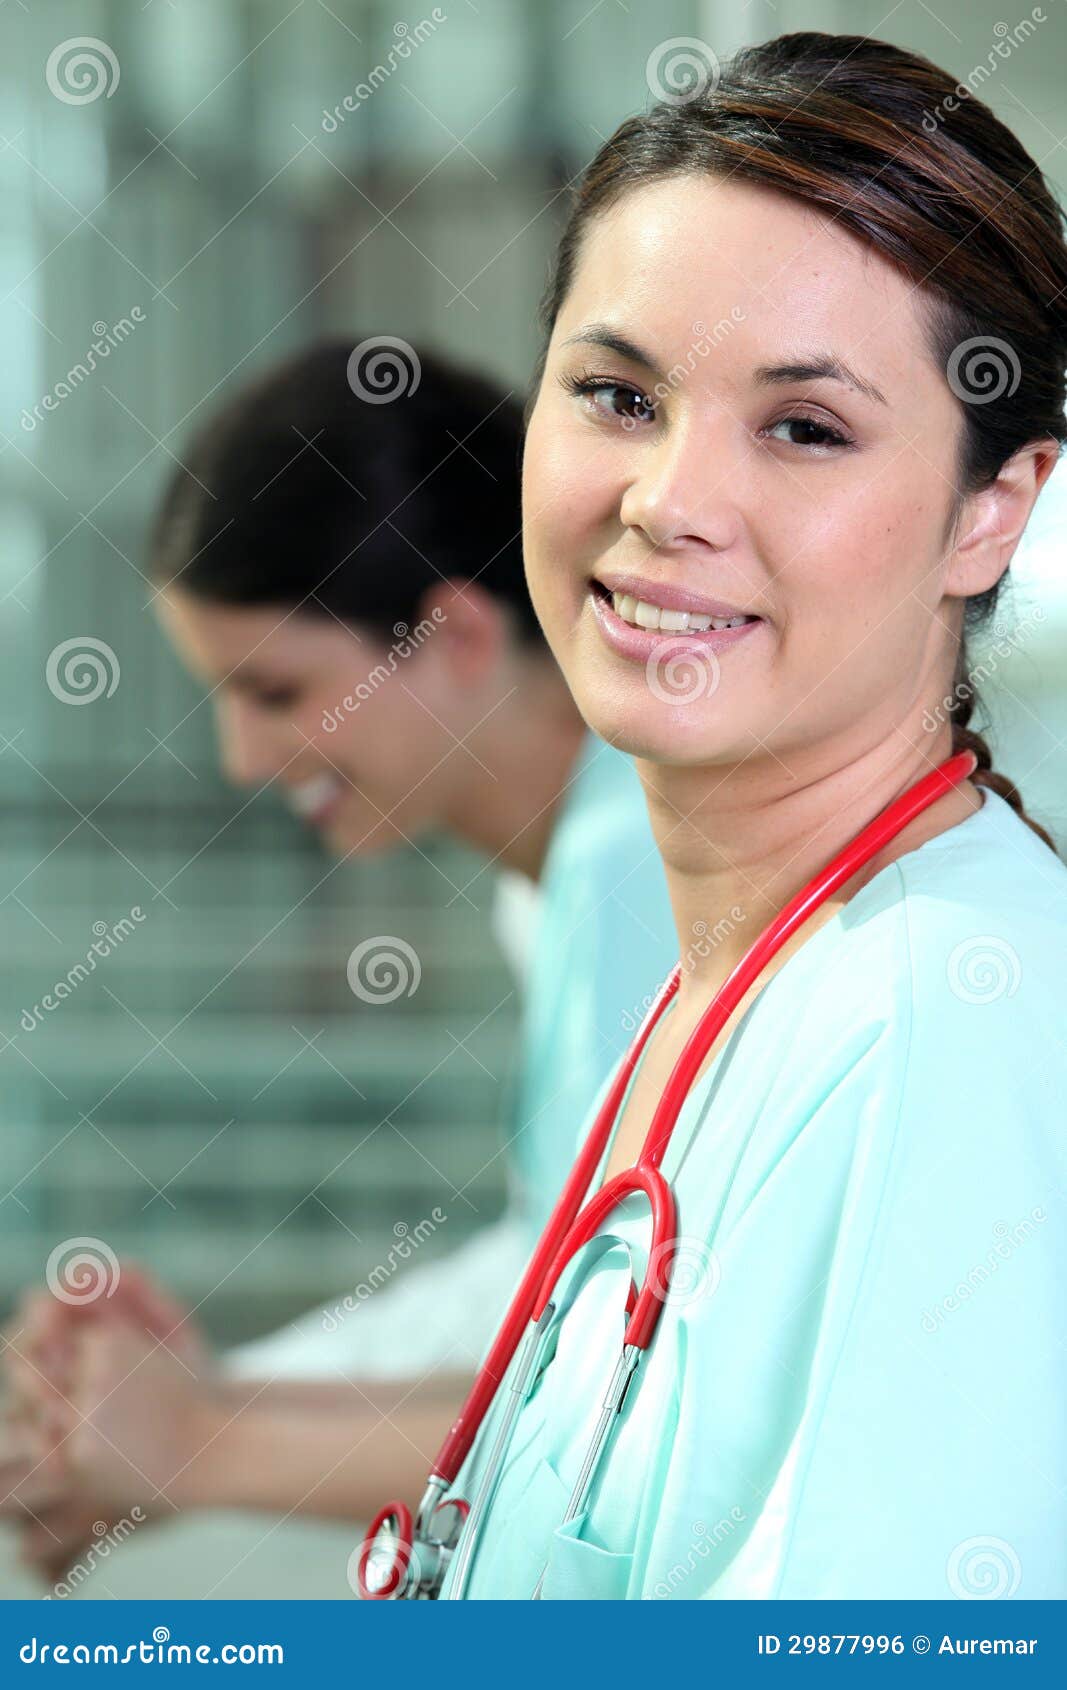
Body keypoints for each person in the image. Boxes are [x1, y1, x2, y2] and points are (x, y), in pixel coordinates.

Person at [384, 31, 1067, 1599]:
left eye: (804, 427)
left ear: (990, 508)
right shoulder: (740, 975)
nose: (667, 500)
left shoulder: (939, 1018)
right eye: (617, 394)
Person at [0, 343, 674, 1586]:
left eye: (275, 688)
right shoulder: (579, 870)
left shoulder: (650, 871)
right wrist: (169, 1412)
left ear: (452, 633)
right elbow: (540, 1293)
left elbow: (647, 1397)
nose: (245, 757)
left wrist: (201, 1438)